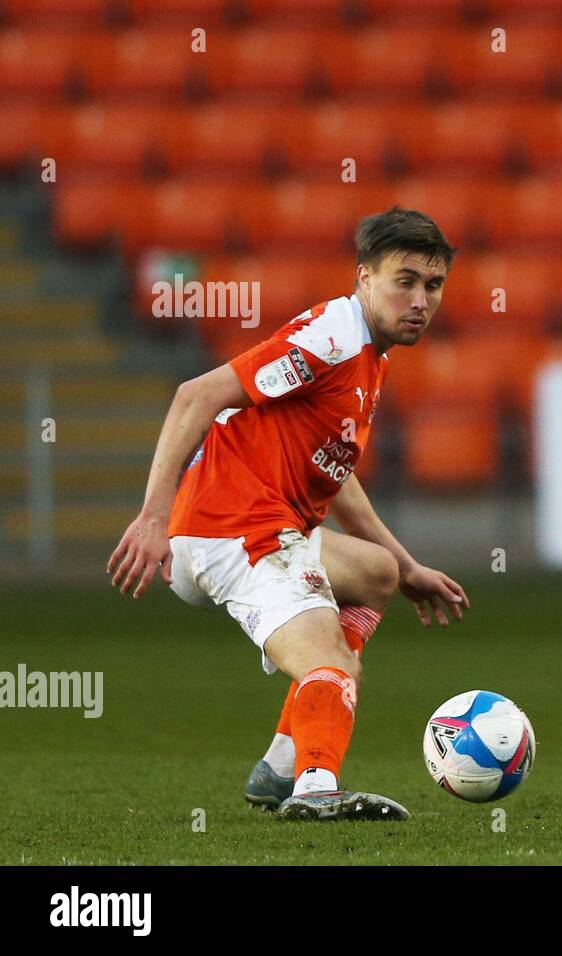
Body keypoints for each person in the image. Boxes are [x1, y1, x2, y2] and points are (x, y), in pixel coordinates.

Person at [107, 207, 470, 821]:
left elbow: (334, 468)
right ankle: (315, 787)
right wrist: (151, 516)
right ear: (364, 278)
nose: (420, 300)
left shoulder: (368, 357)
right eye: (403, 280)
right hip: (230, 528)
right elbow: (195, 395)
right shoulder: (333, 339)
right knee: (330, 662)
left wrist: (408, 566)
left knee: (377, 572)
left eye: (432, 286)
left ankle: (280, 767)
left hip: (264, 524)